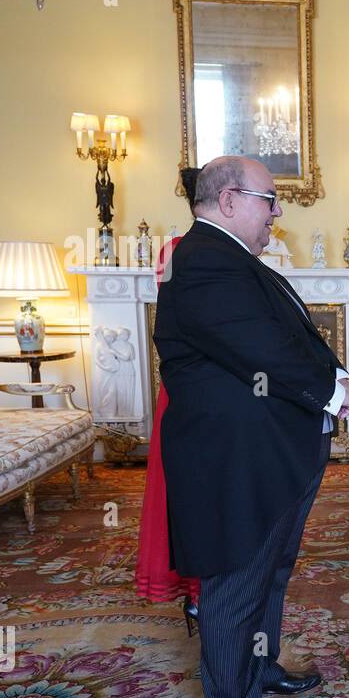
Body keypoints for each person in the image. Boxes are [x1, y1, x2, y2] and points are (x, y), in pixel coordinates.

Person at [152, 156, 349, 698]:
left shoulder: (233, 259)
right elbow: (260, 350)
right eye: (269, 199)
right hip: (235, 457)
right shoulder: (204, 262)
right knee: (238, 577)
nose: (277, 211)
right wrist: (329, 389)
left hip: (269, 448)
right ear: (227, 201)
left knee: (270, 570)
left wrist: (336, 373)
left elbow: (291, 334)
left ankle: (259, 667)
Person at [135, 167, 202, 622]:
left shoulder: (175, 250)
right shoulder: (185, 253)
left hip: (178, 385)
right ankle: (198, 589)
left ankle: (195, 589)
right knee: (195, 481)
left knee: (182, 479)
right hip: (194, 385)